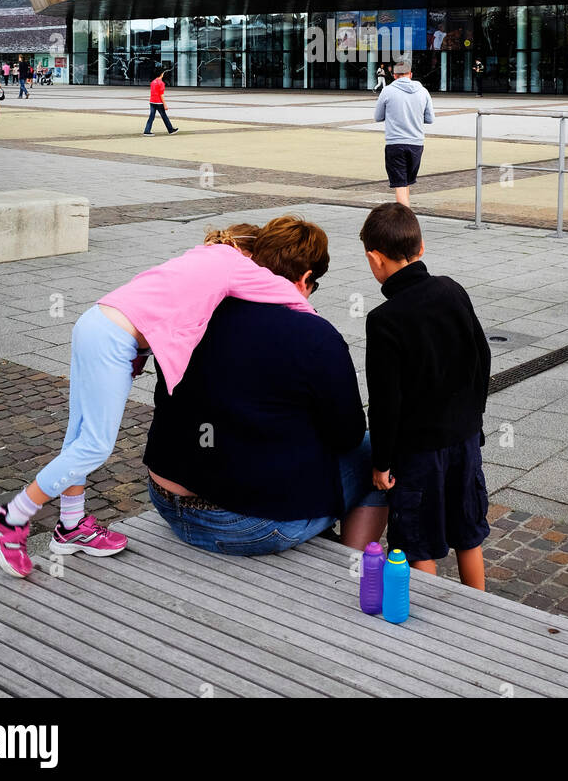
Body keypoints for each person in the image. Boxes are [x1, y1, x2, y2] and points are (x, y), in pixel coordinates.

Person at [0, 222, 320, 578]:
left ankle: (71, 525)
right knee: (93, 446)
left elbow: (168, 306)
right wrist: (315, 324)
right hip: (113, 339)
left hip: (96, 323)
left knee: (78, 436)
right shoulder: (236, 264)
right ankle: (10, 518)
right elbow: (284, 294)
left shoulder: (202, 255)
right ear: (250, 252)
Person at [146, 216, 389, 555]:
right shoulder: (314, 336)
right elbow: (346, 435)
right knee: (379, 453)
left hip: (165, 497)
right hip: (246, 526)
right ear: (305, 279)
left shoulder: (198, 308)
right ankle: (351, 573)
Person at [359, 203, 491, 590]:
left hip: (417, 454)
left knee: (418, 543)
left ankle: (428, 630)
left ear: (374, 259)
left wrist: (381, 462)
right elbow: (482, 357)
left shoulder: (384, 320)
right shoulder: (452, 290)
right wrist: (473, 421)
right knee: (468, 531)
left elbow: (385, 402)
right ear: (421, 247)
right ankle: (481, 607)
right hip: (464, 440)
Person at [373, 59, 434, 206]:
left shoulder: (387, 91)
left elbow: (378, 117)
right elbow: (430, 118)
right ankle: (406, 217)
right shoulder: (423, 91)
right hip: (416, 144)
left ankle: (406, 221)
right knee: (406, 182)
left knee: (399, 184)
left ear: (394, 75)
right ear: (410, 74)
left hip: (395, 143)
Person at [144, 68, 178, 135]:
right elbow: (161, 95)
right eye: (163, 73)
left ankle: (147, 131)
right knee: (164, 116)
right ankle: (170, 130)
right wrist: (165, 104)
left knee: (151, 116)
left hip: (152, 101)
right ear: (161, 74)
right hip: (159, 102)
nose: (163, 74)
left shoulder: (153, 82)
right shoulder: (161, 83)